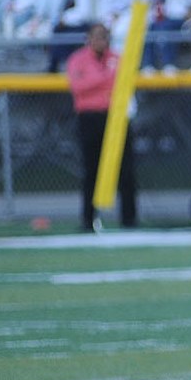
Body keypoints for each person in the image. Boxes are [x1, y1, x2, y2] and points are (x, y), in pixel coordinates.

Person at [65, 22, 136, 232]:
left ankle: (129, 220)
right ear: (88, 38)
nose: (101, 40)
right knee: (91, 171)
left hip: (115, 118)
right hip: (89, 117)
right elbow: (79, 88)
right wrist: (105, 79)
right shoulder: (78, 59)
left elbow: (125, 82)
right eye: (97, 36)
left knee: (126, 171)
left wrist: (99, 82)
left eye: (104, 36)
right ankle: (89, 220)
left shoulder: (116, 58)